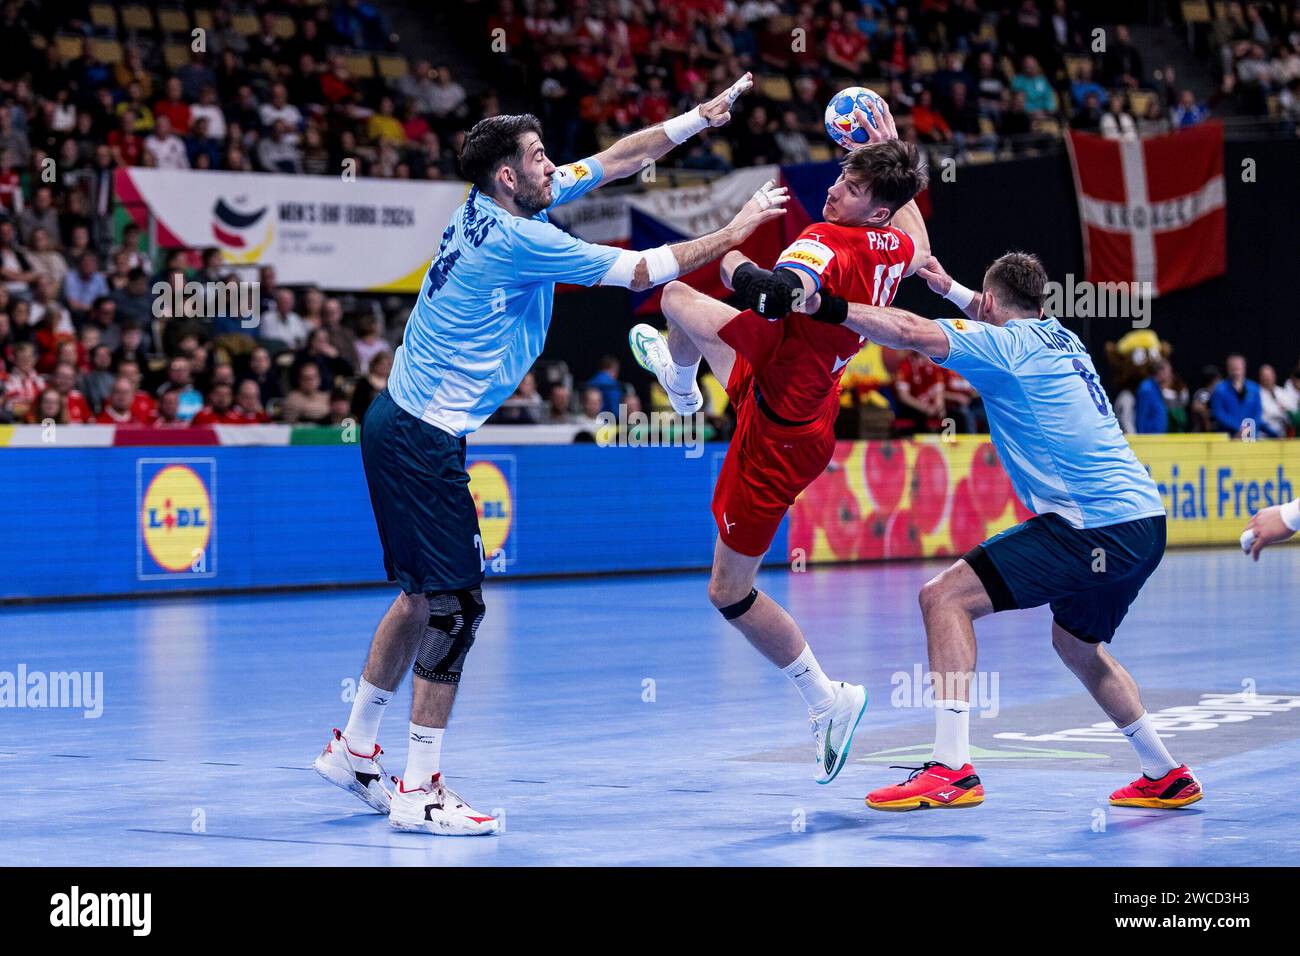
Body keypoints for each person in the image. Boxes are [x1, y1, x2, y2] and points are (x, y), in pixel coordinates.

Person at [314, 77, 789, 836]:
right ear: (509, 177)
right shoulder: (521, 239)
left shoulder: (499, 202)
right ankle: (421, 788)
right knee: (457, 608)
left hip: (395, 420)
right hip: (421, 435)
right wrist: (733, 236)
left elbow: (618, 158)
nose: (552, 167)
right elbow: (640, 272)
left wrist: (696, 119)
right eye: (539, 159)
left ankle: (355, 749)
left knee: (417, 597)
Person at [806, 250, 1200, 812]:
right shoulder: (1063, 337)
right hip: (1143, 521)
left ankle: (951, 769)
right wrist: (950, 287)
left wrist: (827, 304)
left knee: (943, 598)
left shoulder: (1003, 349)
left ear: (991, 304)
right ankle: (1164, 772)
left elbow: (912, 332)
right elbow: (992, 311)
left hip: (1094, 526)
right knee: (1076, 644)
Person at [627, 100, 928, 784]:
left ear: (873, 210)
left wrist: (736, 256)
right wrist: (894, 150)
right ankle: (682, 383)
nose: (834, 189)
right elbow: (918, 241)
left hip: (777, 433)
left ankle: (830, 699)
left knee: (728, 591)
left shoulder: (825, 239)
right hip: (794, 388)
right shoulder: (894, 241)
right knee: (674, 300)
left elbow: (772, 293)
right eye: (841, 176)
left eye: (851, 187)